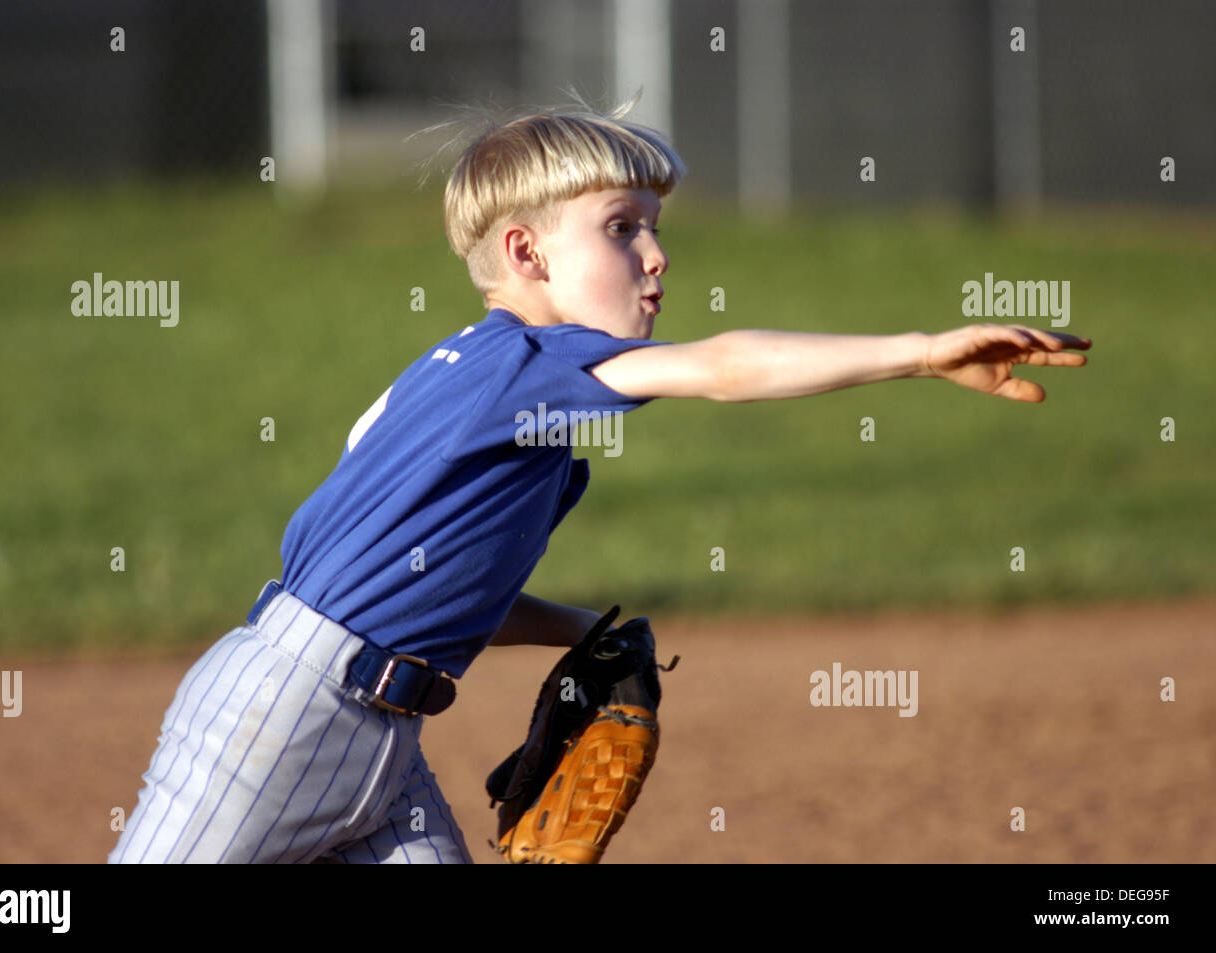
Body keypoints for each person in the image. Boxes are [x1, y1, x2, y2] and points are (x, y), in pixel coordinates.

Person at [109, 97, 1090, 864]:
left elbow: (432, 596)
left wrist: (582, 633)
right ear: (524, 252)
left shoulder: (473, 385)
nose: (657, 256)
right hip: (283, 718)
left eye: (656, 227)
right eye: (622, 227)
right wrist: (920, 352)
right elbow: (721, 368)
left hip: (376, 733)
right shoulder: (522, 364)